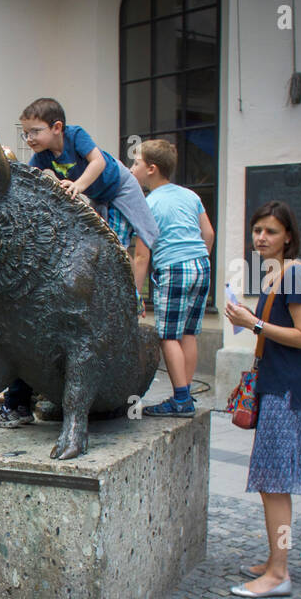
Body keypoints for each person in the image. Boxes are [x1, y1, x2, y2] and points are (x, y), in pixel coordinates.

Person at [0, 97, 159, 427]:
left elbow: (97, 165)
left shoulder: (76, 136)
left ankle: (133, 294)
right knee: (96, 242)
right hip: (94, 198)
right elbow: (35, 186)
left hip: (115, 185)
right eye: (25, 134)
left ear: (57, 128)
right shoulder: (41, 157)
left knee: (127, 241)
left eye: (34, 132)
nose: (29, 139)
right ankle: (23, 401)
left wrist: (77, 185)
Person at [222, 200, 301, 598]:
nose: (261, 237)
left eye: (271, 231)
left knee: (275, 484)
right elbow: (275, 333)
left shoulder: (295, 273)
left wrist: (256, 323)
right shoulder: (275, 275)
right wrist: (250, 321)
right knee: (271, 483)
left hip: (288, 390)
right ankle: (274, 560)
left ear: (289, 237)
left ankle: (278, 575)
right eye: (257, 229)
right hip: (276, 387)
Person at [130, 139, 215, 417]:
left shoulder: (148, 204)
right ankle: (185, 393)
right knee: (188, 333)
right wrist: (197, 259)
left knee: (167, 335)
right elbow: (209, 234)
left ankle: (180, 400)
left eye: (136, 163)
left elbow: (142, 256)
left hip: (175, 269)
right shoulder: (190, 196)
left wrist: (135, 295)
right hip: (201, 266)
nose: (132, 169)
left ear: (151, 169)